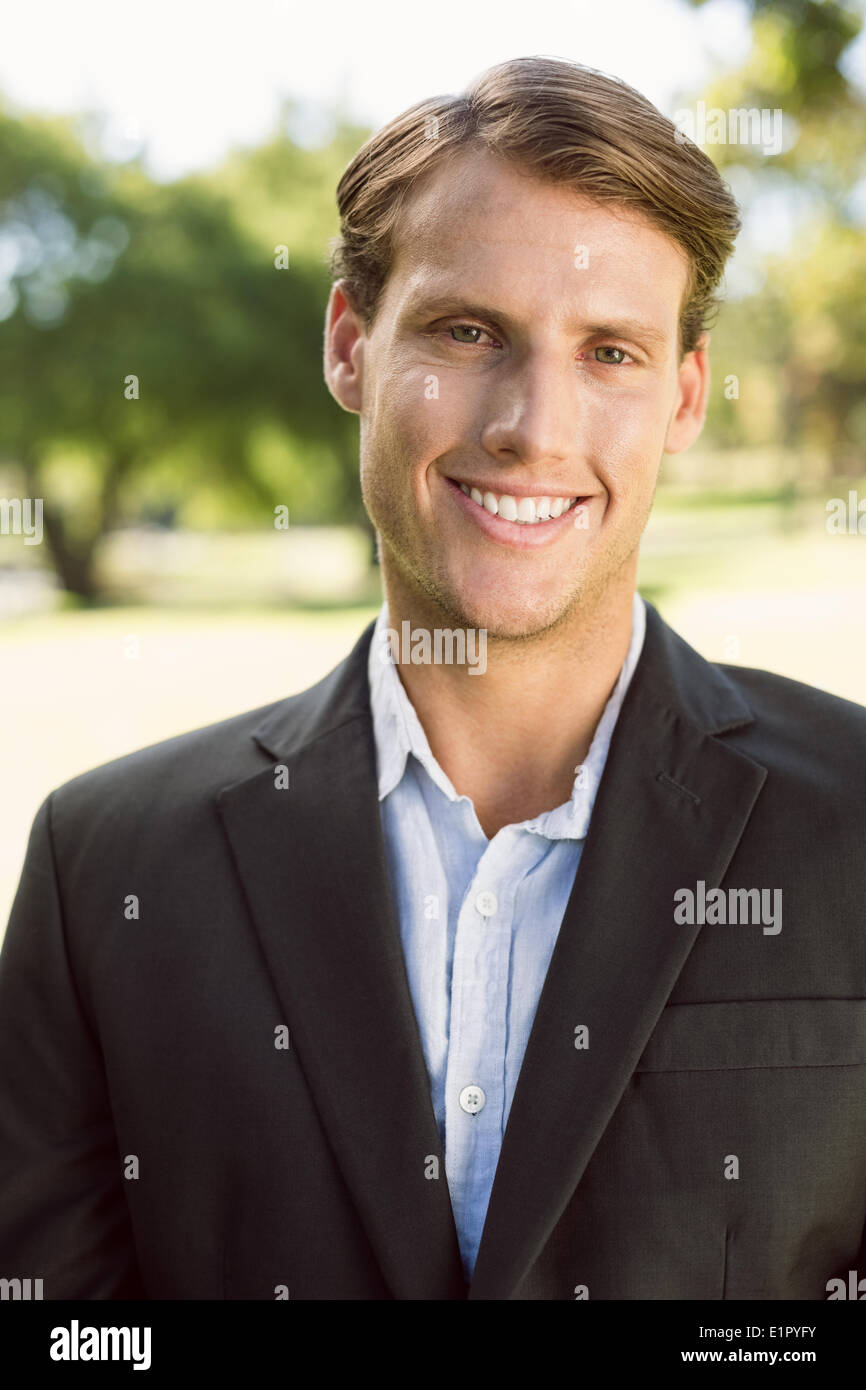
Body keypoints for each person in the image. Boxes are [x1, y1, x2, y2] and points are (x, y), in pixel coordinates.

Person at [1, 56, 865, 1302]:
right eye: (468, 332)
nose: (532, 424)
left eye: (609, 351)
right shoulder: (107, 867)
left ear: (682, 394)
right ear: (350, 344)